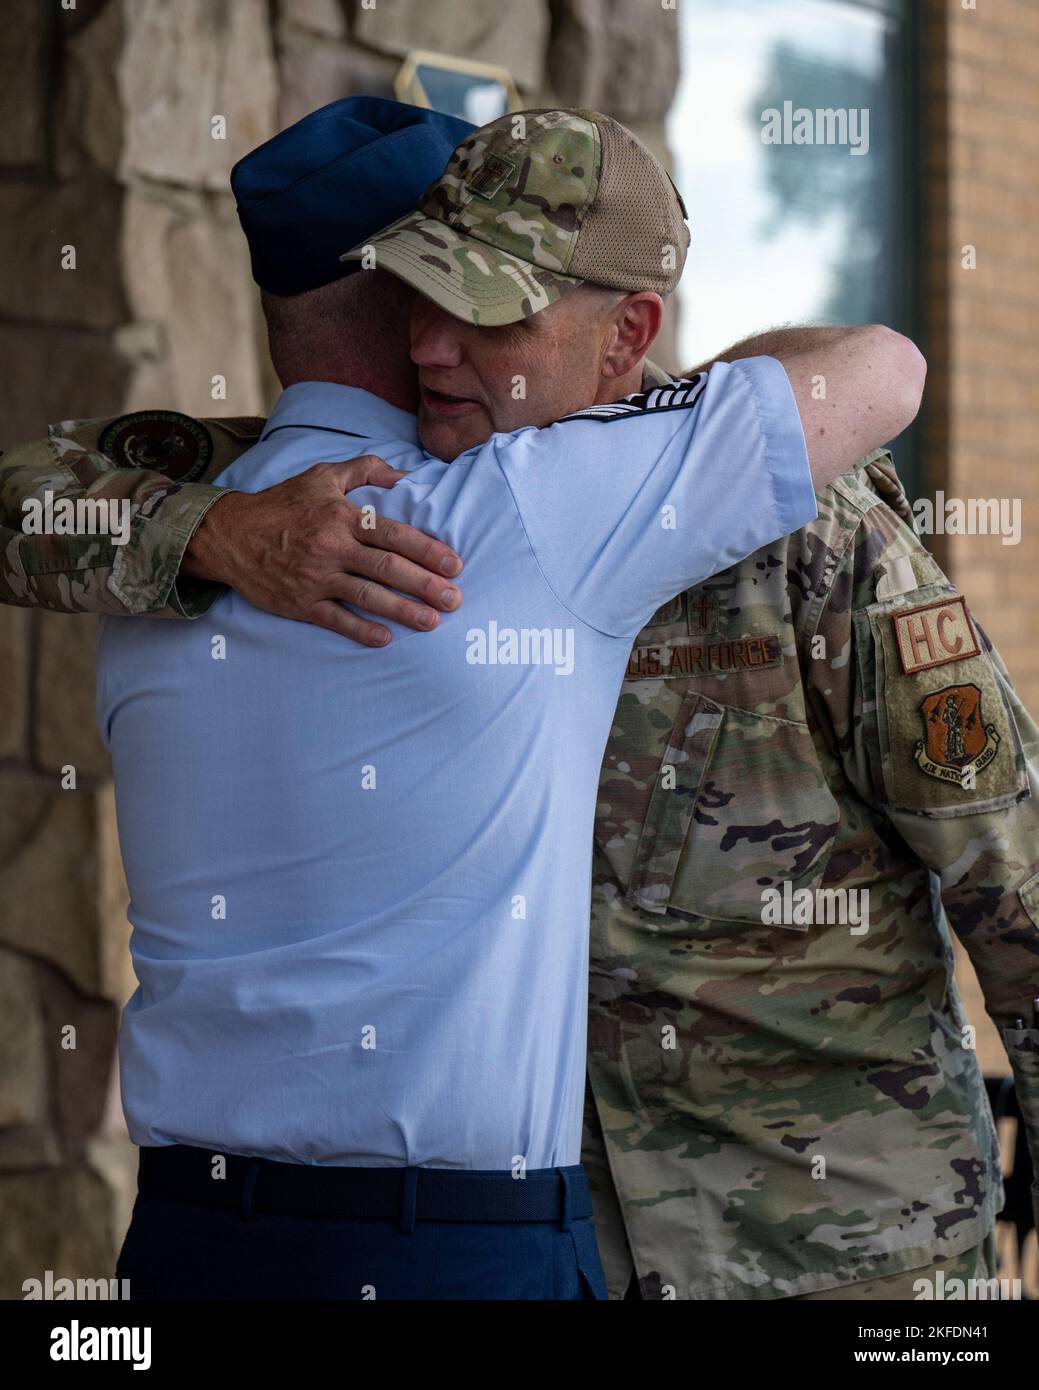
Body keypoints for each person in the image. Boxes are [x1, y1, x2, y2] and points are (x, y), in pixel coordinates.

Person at [0, 100, 926, 1301]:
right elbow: (886, 369)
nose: (449, 337)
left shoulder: (155, 544)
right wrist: (650, 406)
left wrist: (216, 529)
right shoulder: (538, 508)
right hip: (450, 1247)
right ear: (407, 292)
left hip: (188, 1242)